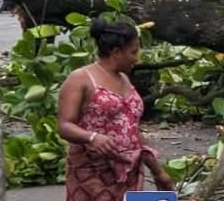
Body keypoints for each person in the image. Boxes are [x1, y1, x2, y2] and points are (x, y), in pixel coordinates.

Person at [57, 19, 174, 199]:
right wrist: (92, 137)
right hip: (92, 173)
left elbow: (133, 130)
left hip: (129, 172)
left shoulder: (124, 79)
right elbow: (64, 125)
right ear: (116, 52)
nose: (137, 58)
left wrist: (158, 172)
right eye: (133, 52)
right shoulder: (81, 79)